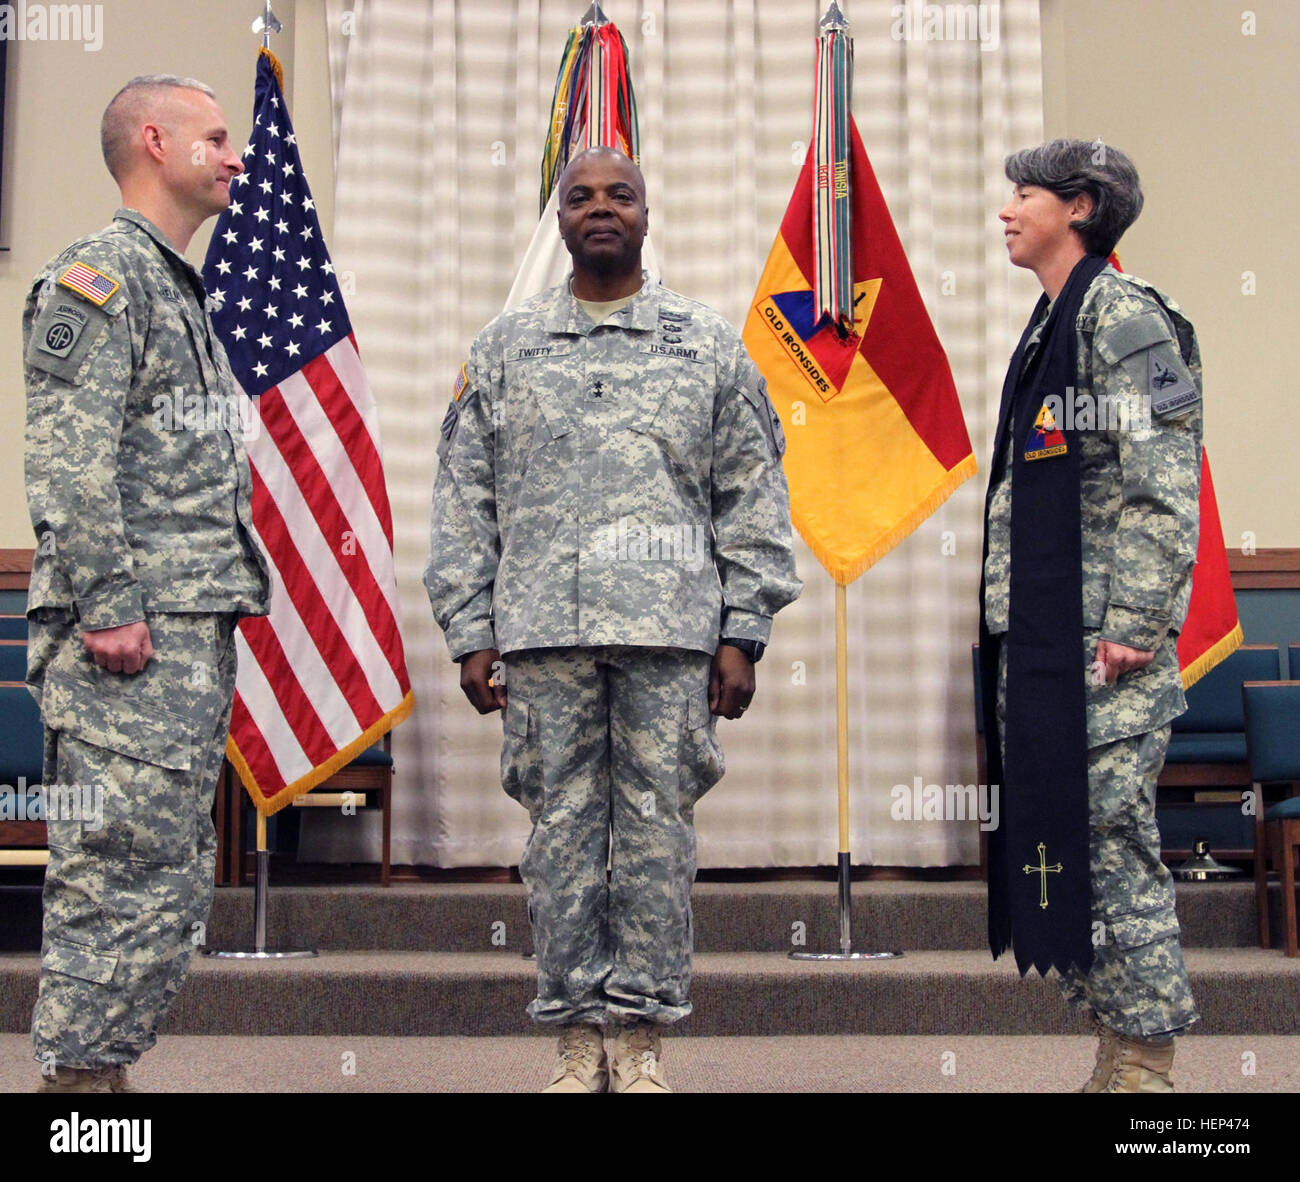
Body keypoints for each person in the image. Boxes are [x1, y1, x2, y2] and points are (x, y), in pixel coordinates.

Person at [425, 146, 801, 1093]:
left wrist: (743, 632)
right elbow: (465, 501)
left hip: (671, 640)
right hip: (542, 637)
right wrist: (471, 630)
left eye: (619, 195)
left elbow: (750, 498)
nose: (601, 209)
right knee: (558, 837)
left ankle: (639, 1034)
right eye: (581, 196)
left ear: (645, 212)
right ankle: (573, 1031)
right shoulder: (504, 350)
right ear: (559, 218)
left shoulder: (707, 346)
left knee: (655, 839)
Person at [23, 75, 271, 1092]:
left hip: (184, 633)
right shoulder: (101, 279)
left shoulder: (179, 290)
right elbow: (67, 459)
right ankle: (76, 1098)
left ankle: (102, 1079)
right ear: (154, 141)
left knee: (162, 883)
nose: (234, 155)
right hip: (128, 640)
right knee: (112, 876)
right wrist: (114, 606)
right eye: (215, 138)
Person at [979, 139, 1202, 1092]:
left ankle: (1148, 1065)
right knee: (1073, 849)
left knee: (1112, 853)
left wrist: (1137, 625)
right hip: (1045, 647)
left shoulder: (1128, 321)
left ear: (1078, 206)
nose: (1006, 211)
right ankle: (1115, 1051)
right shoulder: (1050, 323)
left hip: (1105, 652)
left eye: (1022, 195)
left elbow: (1165, 483)